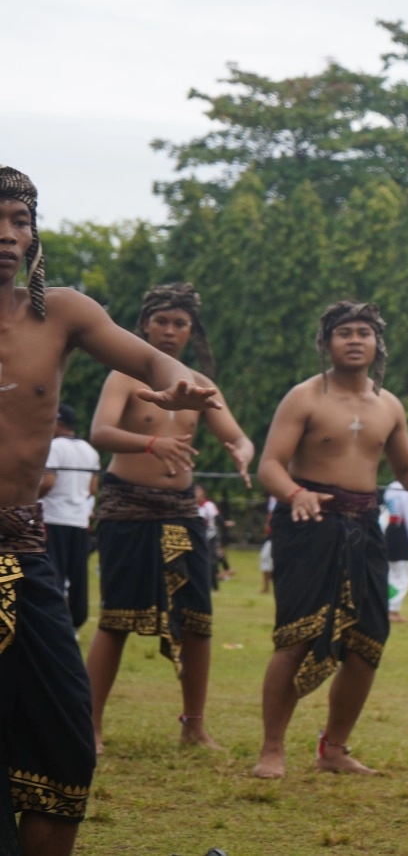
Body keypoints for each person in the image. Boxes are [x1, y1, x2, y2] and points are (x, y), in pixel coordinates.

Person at [0, 165, 221, 856]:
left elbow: (152, 362)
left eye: (19, 220)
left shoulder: (61, 312)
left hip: (20, 550)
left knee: (67, 745)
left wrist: (176, 383)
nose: (7, 235)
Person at [251, 300, 408, 779]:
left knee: (368, 642)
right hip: (309, 527)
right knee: (297, 636)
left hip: (364, 528)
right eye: (344, 332)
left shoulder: (388, 404)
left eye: (363, 333)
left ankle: (334, 747)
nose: (354, 340)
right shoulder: (304, 397)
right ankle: (272, 748)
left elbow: (407, 467)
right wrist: (294, 493)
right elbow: (269, 464)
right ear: (327, 343)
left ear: (377, 344)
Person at [87, 281, 255, 753]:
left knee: (198, 619)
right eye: (161, 321)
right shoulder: (124, 375)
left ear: (190, 331)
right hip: (127, 507)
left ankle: (194, 726)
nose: (169, 330)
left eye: (179, 323)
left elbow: (236, 436)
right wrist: (151, 443)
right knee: (117, 617)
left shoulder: (202, 386)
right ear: (144, 325)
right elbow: (100, 432)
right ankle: (91, 725)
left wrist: (241, 453)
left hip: (181, 510)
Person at [38, 404, 99, 629]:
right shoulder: (90, 451)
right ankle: (75, 621)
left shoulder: (54, 447)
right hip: (79, 520)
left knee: (54, 573)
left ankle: (54, 622)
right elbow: (93, 488)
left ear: (58, 422)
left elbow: (48, 482)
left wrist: (27, 496)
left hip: (54, 518)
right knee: (78, 576)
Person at [382, 480, 408, 622]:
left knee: (391, 572)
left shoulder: (391, 488)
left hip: (390, 529)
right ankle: (392, 609)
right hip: (401, 531)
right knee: (403, 574)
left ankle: (387, 607)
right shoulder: (406, 489)